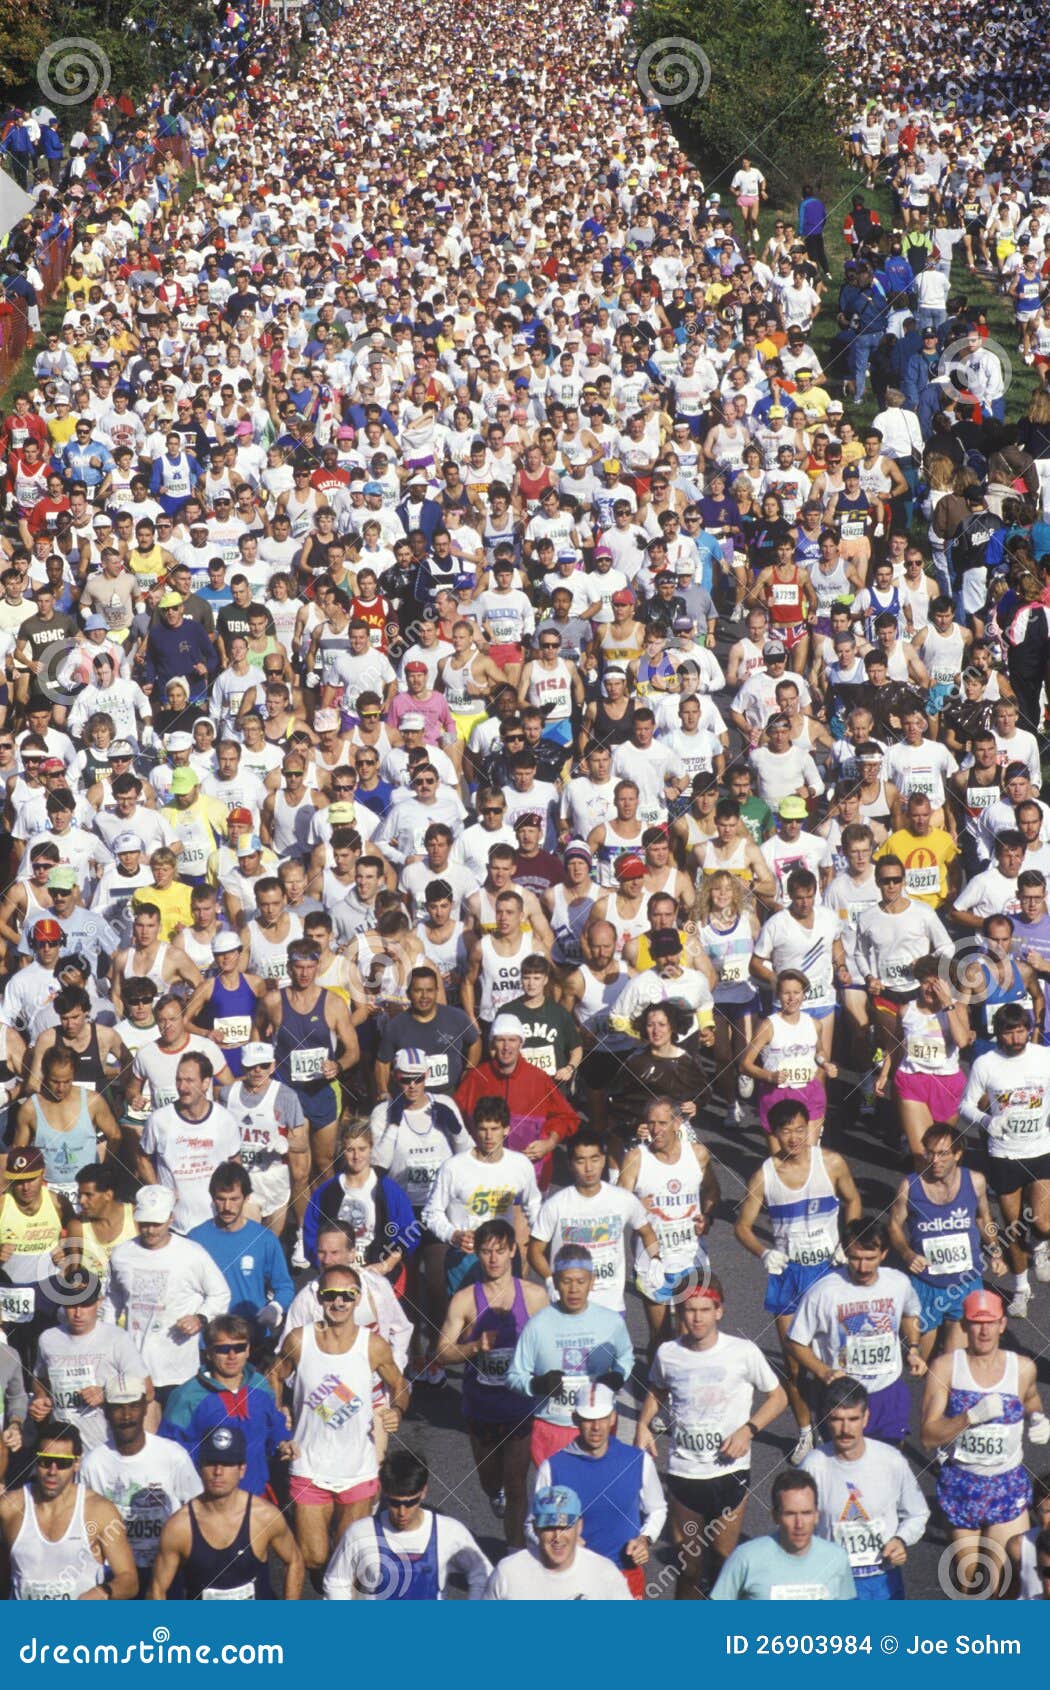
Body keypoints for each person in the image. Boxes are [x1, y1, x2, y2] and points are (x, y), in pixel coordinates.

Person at [637, 1278, 787, 1598]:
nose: (697, 1318)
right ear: (680, 1313)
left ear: (719, 1311)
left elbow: (778, 1397)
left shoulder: (743, 1352)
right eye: (690, 1310)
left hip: (729, 1472)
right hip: (685, 1472)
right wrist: (643, 1424)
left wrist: (749, 1430)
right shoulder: (668, 1353)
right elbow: (659, 1388)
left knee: (724, 1562)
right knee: (688, 1568)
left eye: (706, 1309)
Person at [267, 1264, 409, 1581]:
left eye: (347, 1295)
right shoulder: (299, 1340)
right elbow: (274, 1375)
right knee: (314, 1556)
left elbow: (400, 1385)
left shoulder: (372, 1345)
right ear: (320, 1299)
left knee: (349, 1560)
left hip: (358, 1466)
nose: (339, 1302)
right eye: (331, 1295)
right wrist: (278, 1414)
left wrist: (396, 1411)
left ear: (358, 1299)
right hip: (309, 1464)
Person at [922, 1288, 1049, 1597]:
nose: (984, 1330)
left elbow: (1031, 1398)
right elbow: (927, 1436)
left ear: (1003, 1324)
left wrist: (1038, 1419)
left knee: (1001, 1582)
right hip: (962, 1484)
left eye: (990, 1322)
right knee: (968, 1583)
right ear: (964, 1325)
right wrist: (969, 1417)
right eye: (976, 1322)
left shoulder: (1022, 1368)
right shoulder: (946, 1368)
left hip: (1006, 1486)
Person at [433, 1217, 548, 1546]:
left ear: (513, 1250)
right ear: (478, 1255)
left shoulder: (536, 1297)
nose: (494, 1258)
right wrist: (473, 1347)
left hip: (520, 1407)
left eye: (500, 1250)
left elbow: (551, 1344)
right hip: (481, 1407)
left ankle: (514, 1552)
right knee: (490, 1480)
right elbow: (441, 1352)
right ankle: (492, 1492)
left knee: (516, 1484)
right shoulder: (466, 1300)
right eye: (486, 1252)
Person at [788, 1216, 924, 1447]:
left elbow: (911, 1314)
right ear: (845, 1253)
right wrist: (823, 1372)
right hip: (843, 1397)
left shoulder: (898, 1283)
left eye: (870, 1258)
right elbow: (796, 1342)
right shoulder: (823, 1292)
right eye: (855, 1258)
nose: (862, 1267)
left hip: (887, 1392)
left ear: (884, 1253)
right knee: (845, 1465)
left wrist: (912, 1348)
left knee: (889, 1461)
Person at [507, 1243, 635, 1467]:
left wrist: (617, 1376)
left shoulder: (611, 1322)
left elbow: (626, 1357)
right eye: (566, 1281)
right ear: (555, 1282)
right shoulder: (537, 1325)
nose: (574, 1289)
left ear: (592, 1282)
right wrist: (539, 1385)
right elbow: (514, 1375)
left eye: (581, 1281)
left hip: (597, 1425)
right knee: (560, 1499)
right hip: (552, 1426)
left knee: (596, 1495)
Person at [960, 1002, 1050, 1317]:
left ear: (1029, 1029)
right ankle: (1021, 1289)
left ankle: (1040, 1244)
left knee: (1043, 1222)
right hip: (1004, 1154)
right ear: (998, 1033)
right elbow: (965, 1106)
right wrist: (987, 1122)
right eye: (1009, 1032)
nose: (1016, 1038)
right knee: (1012, 1228)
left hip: (1041, 1150)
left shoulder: (1044, 1057)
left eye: (1021, 1031)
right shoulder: (986, 1063)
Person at [803, 1376, 930, 1600]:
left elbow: (918, 1513)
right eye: (837, 1420)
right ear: (826, 1420)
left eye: (853, 1419)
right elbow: (795, 1524)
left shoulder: (891, 1460)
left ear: (866, 1418)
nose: (845, 1429)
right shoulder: (813, 1466)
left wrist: (900, 1540)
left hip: (882, 1580)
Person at [103, 1185, 230, 1406]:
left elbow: (220, 1293)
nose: (150, 1230)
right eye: (144, 1223)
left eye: (156, 1223)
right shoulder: (122, 1254)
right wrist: (107, 1344)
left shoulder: (192, 1253)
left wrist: (200, 1318)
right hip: (135, 1365)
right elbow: (113, 1303)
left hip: (179, 1367)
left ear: (171, 1218)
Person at [887, 1123, 1006, 1358]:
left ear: (958, 1154)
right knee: (922, 1362)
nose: (934, 1160)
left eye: (942, 1154)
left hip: (965, 1282)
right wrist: (907, 1254)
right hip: (925, 1285)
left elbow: (984, 1219)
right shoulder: (910, 1186)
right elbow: (893, 1225)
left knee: (954, 1366)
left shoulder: (975, 1181)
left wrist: (995, 1251)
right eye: (929, 1153)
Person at [149, 1423, 304, 1600]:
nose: (218, 1472)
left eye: (227, 1464)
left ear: (242, 1470)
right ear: (200, 1467)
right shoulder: (179, 1527)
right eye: (211, 1463)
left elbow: (294, 1561)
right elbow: (157, 1589)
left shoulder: (264, 1516)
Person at [80, 1374, 203, 1596]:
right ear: (106, 1412)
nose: (126, 1416)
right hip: (114, 1573)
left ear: (145, 1408)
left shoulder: (173, 1455)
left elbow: (198, 1510)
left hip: (166, 1569)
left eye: (133, 1407)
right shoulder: (93, 1463)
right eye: (118, 1408)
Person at [618, 1096, 719, 1356]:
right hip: (652, 1260)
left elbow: (712, 1189)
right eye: (651, 1123)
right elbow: (615, 1207)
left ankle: (686, 1391)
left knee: (691, 1331)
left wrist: (707, 1216)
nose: (656, 1130)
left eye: (662, 1123)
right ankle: (658, 1390)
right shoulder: (636, 1158)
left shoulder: (697, 1154)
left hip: (691, 1256)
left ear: (677, 1123)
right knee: (661, 1336)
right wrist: (637, 1204)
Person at [324, 1448, 492, 1600]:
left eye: (411, 1503)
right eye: (395, 1503)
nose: (402, 1512)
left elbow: (483, 1574)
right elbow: (337, 1582)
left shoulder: (450, 1532)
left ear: (424, 1492)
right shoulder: (360, 1533)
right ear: (384, 1493)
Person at [0, 1419, 138, 1601]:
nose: (52, 1471)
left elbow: (129, 1580)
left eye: (62, 1463)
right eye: (45, 1461)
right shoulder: (9, 1507)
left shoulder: (99, 1511)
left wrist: (102, 1592)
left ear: (77, 1463)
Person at [160, 1313, 295, 1498]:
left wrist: (283, 1442)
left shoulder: (260, 1386)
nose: (232, 1356)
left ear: (248, 1350)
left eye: (239, 1348)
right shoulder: (187, 1396)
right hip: (206, 1501)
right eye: (223, 1349)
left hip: (255, 1497)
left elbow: (274, 1426)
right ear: (208, 1352)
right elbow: (170, 1452)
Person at [710, 1469, 855, 1600]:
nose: (799, 1524)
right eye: (790, 1514)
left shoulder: (837, 1559)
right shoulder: (744, 1559)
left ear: (817, 1516)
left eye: (806, 1513)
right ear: (775, 1516)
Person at [188, 1162, 295, 1332]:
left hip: (252, 1337)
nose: (227, 1207)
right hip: (207, 1337)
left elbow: (284, 1286)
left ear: (247, 1198)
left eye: (234, 1199)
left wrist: (275, 1308)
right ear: (212, 1198)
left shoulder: (264, 1239)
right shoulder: (195, 1239)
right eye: (221, 1199)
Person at [482, 1483, 630, 1600]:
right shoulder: (508, 1573)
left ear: (579, 1527)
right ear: (536, 1528)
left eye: (565, 1527)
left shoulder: (605, 1573)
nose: (557, 1537)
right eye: (549, 1527)